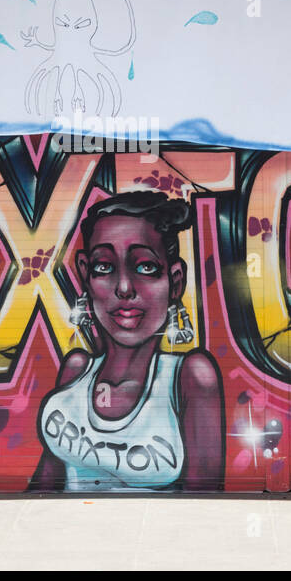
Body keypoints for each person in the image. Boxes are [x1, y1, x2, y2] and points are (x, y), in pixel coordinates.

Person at [30, 191, 225, 491]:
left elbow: (203, 498)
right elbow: (47, 483)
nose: (123, 288)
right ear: (85, 273)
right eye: (104, 267)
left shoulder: (189, 377)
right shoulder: (77, 370)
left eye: (145, 267)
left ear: (175, 281)